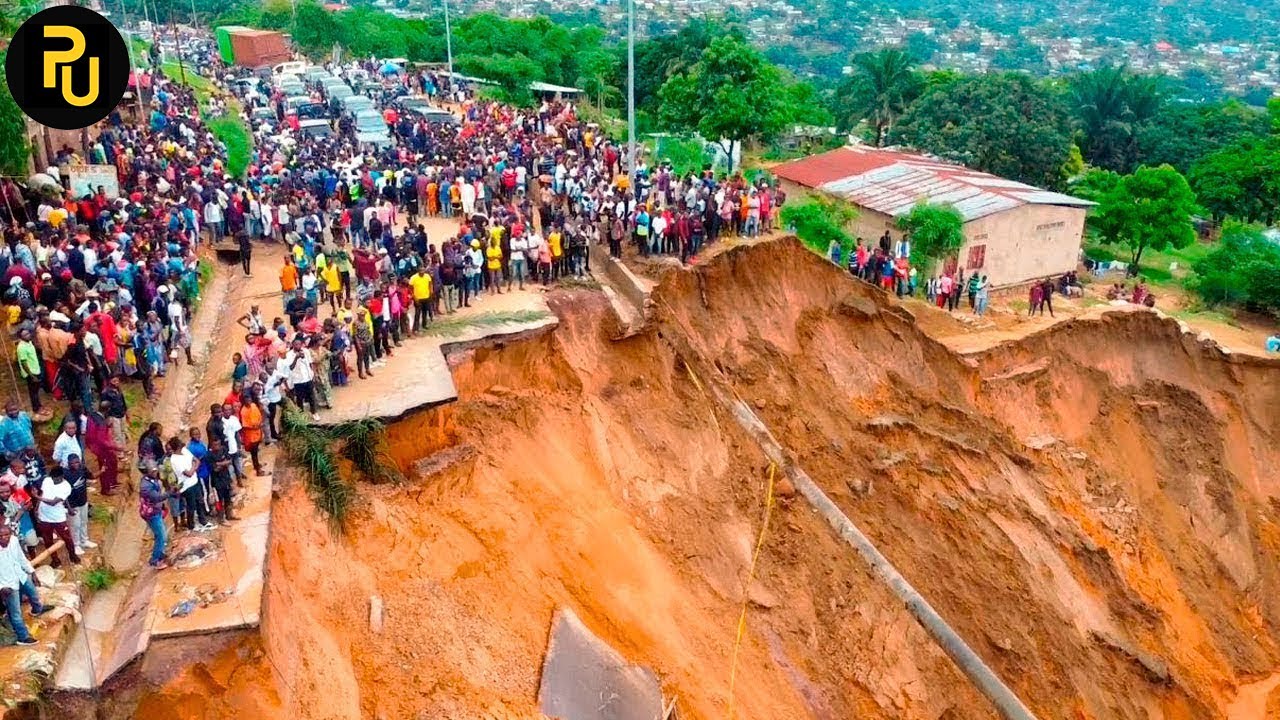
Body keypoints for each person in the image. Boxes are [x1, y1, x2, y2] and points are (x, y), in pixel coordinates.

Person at [0, 522, 47, 646]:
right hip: (7, 585)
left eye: (7, 535)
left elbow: (21, 558)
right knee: (15, 612)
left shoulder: (14, 541)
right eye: (1, 536)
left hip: (20, 574)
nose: (4, 538)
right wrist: (1, 587)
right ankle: (23, 637)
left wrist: (32, 572)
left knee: (33, 594)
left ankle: (37, 610)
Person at [36, 466, 79, 566]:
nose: (54, 480)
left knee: (67, 537)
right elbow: (42, 493)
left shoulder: (66, 486)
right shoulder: (47, 480)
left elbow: (53, 502)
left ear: (62, 476)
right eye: (53, 478)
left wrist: (36, 497)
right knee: (48, 540)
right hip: (44, 516)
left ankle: (72, 555)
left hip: (58, 517)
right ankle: (55, 559)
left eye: (57, 479)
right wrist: (37, 507)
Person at [138, 465, 171, 569]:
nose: (156, 472)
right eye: (153, 471)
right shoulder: (146, 487)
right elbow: (157, 497)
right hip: (151, 513)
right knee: (161, 536)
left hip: (155, 510)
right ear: (147, 472)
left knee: (161, 533)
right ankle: (155, 560)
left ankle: (160, 553)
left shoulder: (151, 480)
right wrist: (170, 493)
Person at [64, 453, 96, 550]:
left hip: (83, 501)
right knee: (75, 525)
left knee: (84, 521)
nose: (75, 464)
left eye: (77, 462)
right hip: (73, 504)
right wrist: (68, 507)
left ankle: (84, 540)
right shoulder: (65, 474)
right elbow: (63, 493)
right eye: (72, 463)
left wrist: (102, 471)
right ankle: (76, 544)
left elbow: (91, 477)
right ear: (68, 463)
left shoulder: (82, 469)